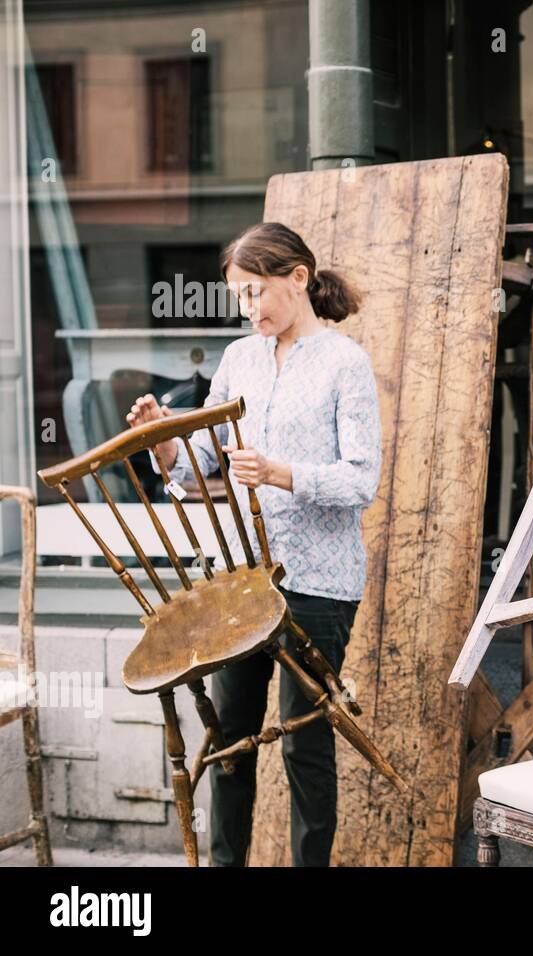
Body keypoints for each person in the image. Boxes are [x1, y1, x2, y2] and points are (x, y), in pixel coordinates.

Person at [126, 222, 381, 866]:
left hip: (319, 582)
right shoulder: (239, 359)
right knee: (231, 734)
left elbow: (362, 480)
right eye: (239, 296)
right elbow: (193, 466)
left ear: (298, 278)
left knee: (304, 743)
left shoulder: (345, 363)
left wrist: (278, 473)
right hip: (242, 580)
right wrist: (163, 440)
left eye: (256, 291)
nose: (248, 308)